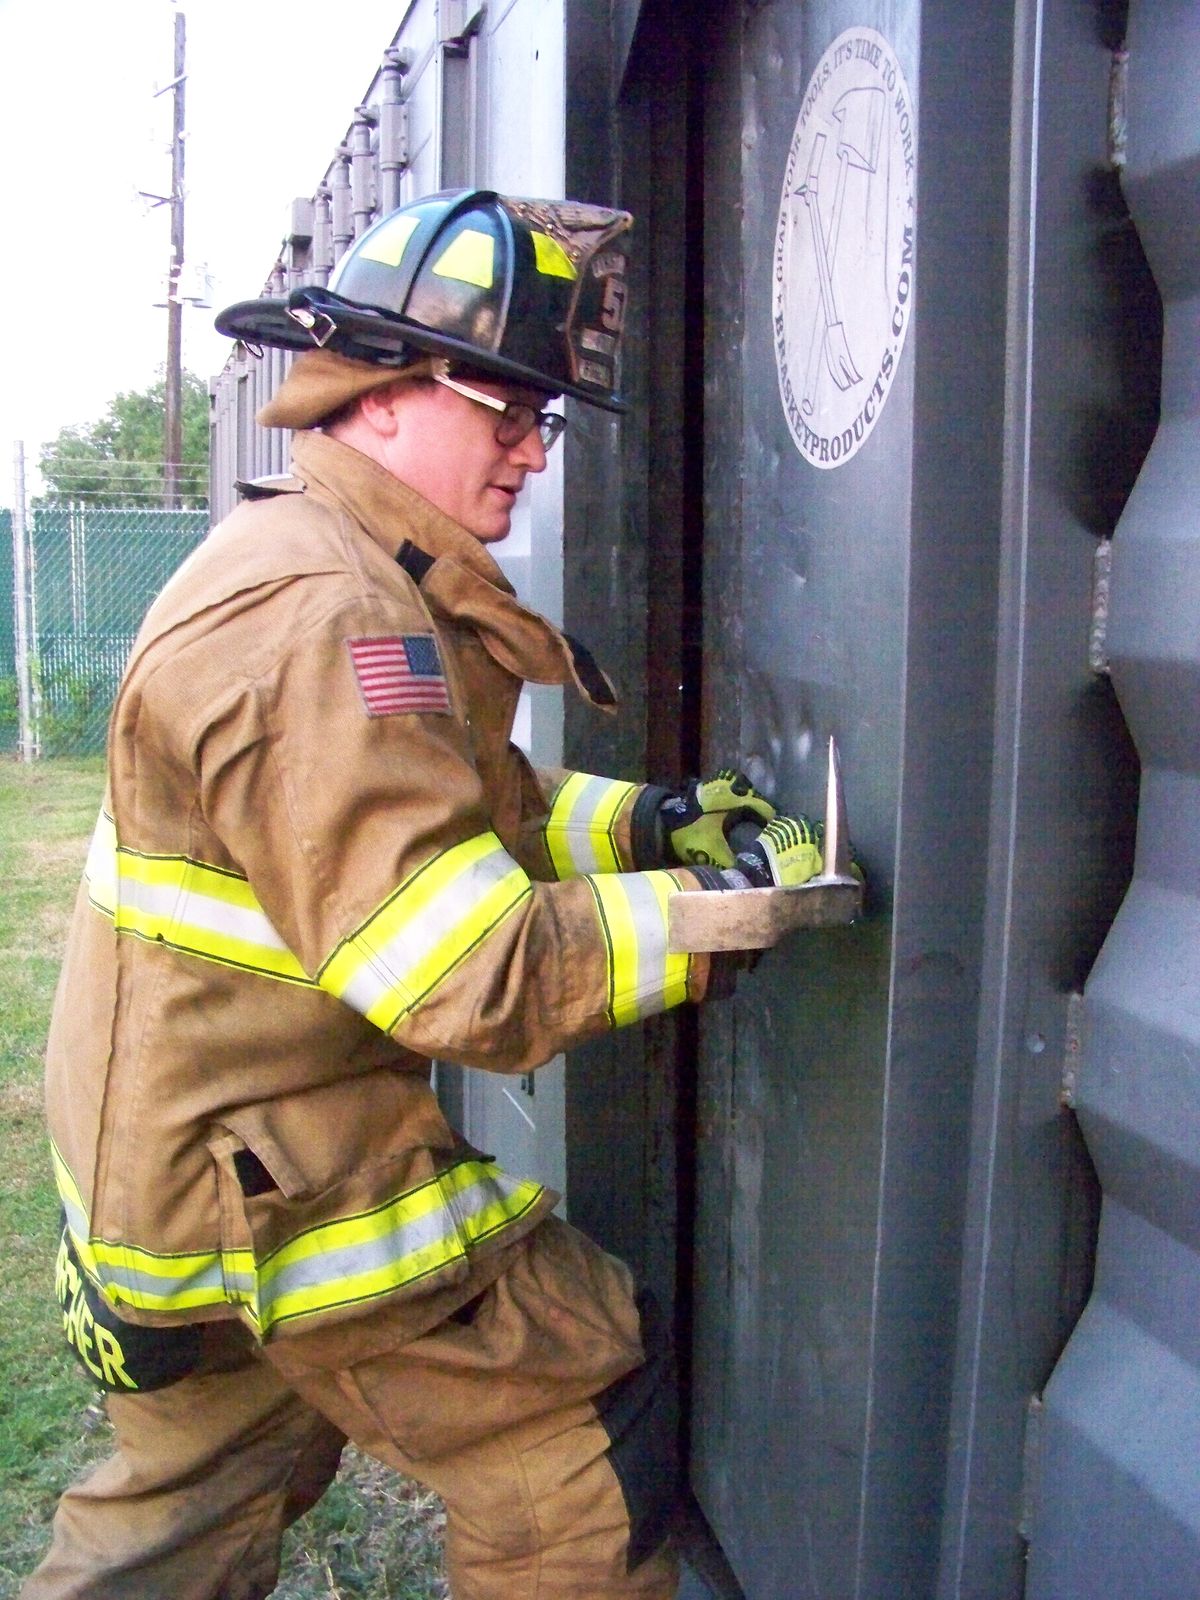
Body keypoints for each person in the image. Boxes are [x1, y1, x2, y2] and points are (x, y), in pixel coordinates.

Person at [26, 190, 823, 1600]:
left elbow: (455, 817)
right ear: (378, 389)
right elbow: (459, 968)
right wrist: (732, 922)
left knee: (179, 1520)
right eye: (503, 399)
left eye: (545, 412)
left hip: (183, 1172)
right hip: (270, 1200)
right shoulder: (325, 615)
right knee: (580, 1429)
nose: (531, 445)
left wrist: (649, 825)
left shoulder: (330, 565)